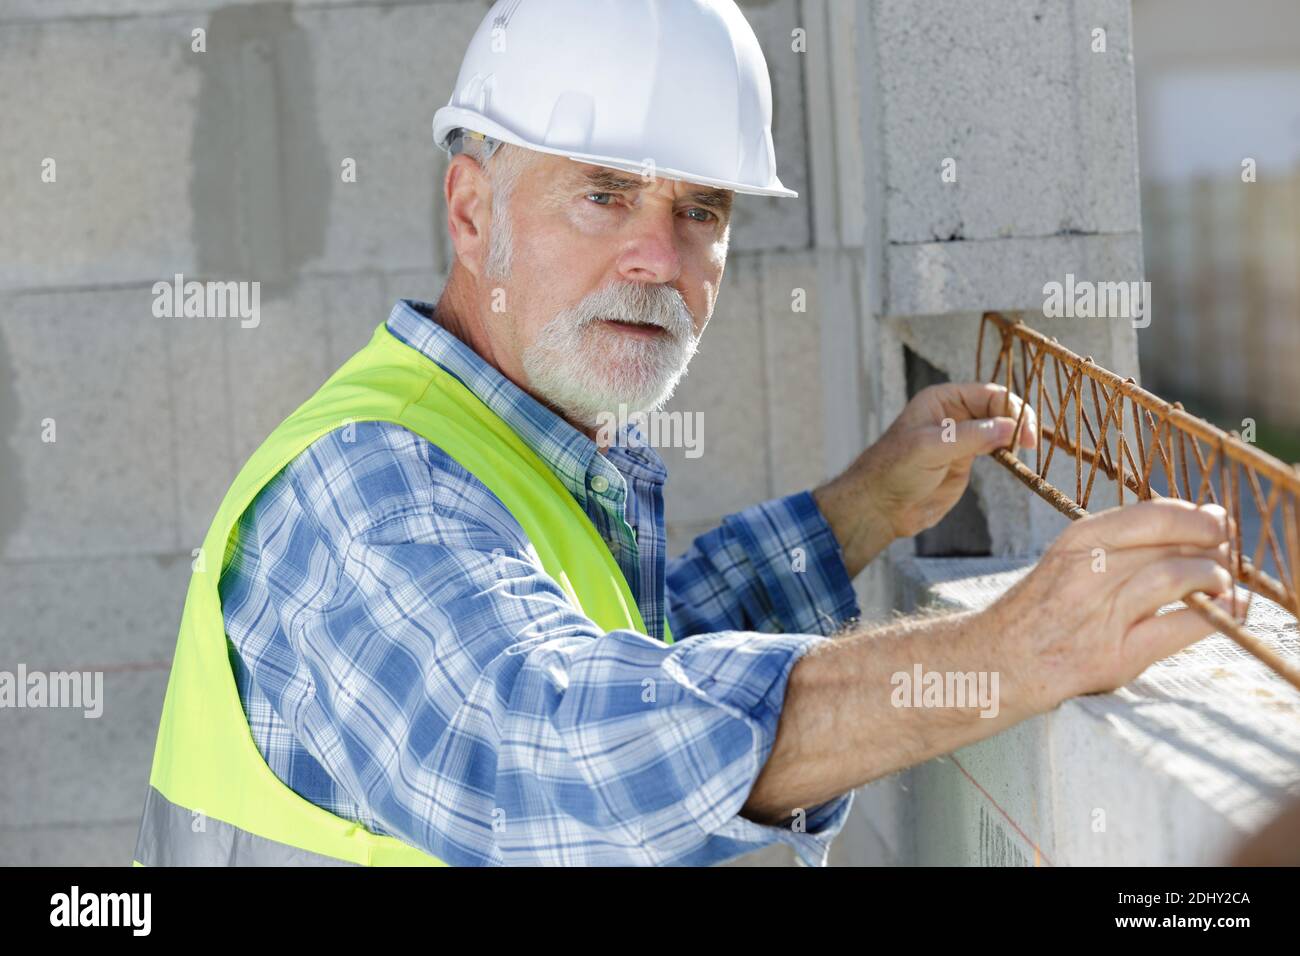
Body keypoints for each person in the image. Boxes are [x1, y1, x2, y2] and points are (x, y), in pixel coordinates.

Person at [133, 0, 1235, 867]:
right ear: (472, 213)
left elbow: (624, 652)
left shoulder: (511, 447)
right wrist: (1005, 652)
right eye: (604, 197)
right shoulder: (371, 486)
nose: (658, 258)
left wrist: (860, 510)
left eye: (698, 210)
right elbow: (546, 747)